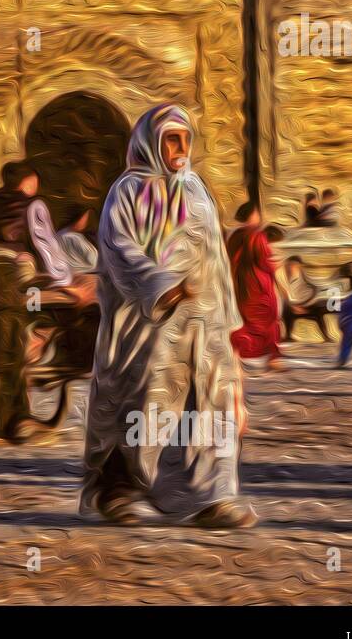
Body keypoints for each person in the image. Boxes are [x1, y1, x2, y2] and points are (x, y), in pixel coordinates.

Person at [80, 103, 255, 529]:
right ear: (150, 143)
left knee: (209, 403)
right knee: (144, 401)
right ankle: (120, 490)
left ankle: (209, 495)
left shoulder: (196, 190)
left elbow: (214, 258)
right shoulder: (128, 191)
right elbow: (119, 249)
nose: (179, 147)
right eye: (170, 139)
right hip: (147, 323)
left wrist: (227, 323)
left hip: (202, 321)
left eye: (184, 138)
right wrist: (163, 287)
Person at [0, 160, 73, 444]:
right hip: (4, 278)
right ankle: (2, 428)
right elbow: (46, 244)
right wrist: (64, 280)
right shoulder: (33, 204)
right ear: (29, 180)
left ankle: (13, 418)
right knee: (10, 350)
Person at [227, 202, 283, 369]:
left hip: (241, 284)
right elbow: (263, 261)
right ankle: (272, 357)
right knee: (268, 317)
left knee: (247, 319)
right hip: (259, 285)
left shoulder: (234, 236)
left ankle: (237, 350)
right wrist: (276, 266)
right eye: (257, 214)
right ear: (251, 215)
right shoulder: (257, 236)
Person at [280, 255, 331, 342]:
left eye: (295, 265)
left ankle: (326, 336)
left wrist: (308, 301)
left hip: (304, 301)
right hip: (290, 305)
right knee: (286, 309)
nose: (293, 267)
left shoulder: (301, 272)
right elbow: (284, 295)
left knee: (319, 310)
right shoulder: (281, 275)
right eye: (290, 265)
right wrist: (294, 307)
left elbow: (312, 286)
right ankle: (287, 336)